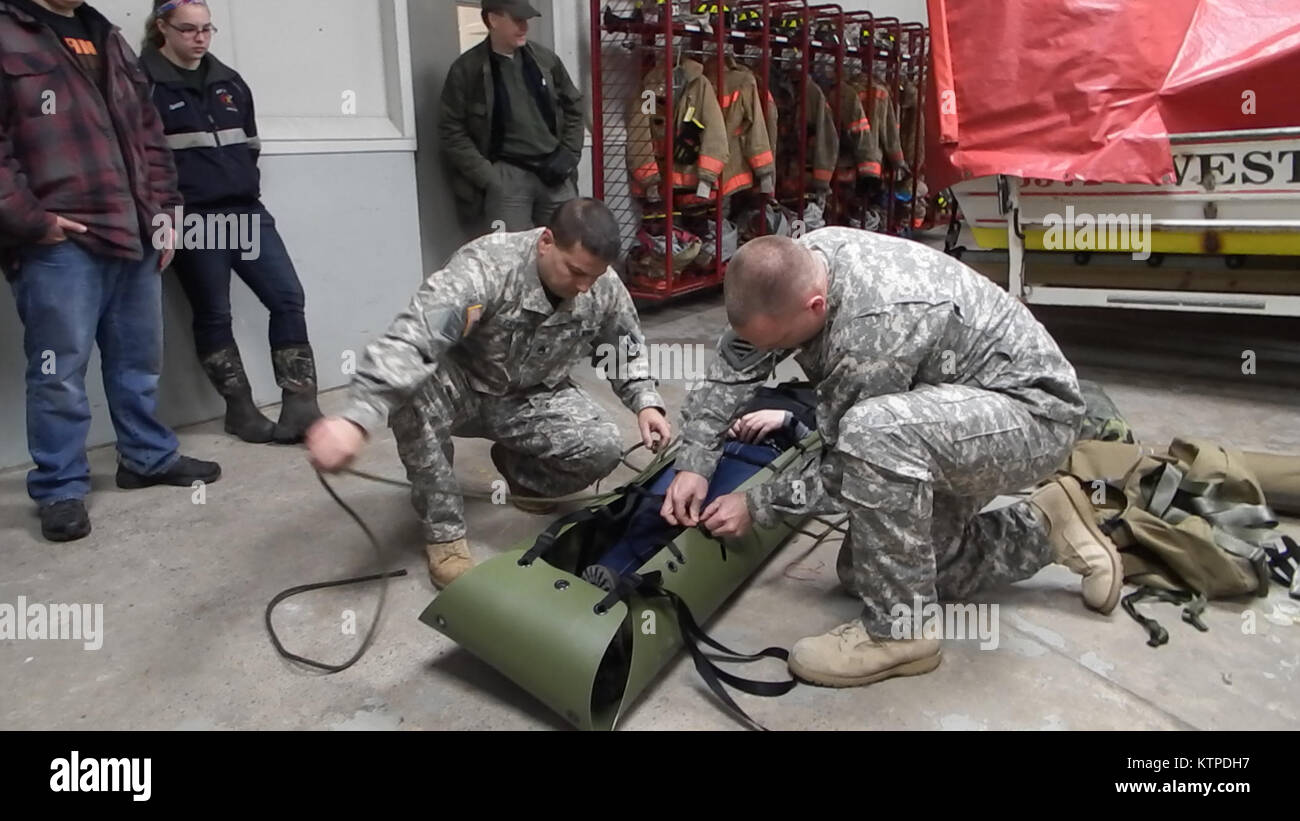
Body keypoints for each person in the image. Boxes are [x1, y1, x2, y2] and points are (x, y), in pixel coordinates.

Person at [661, 227, 1125, 688]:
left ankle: (901, 634)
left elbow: (849, 466)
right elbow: (737, 360)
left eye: (779, 345)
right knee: (866, 572)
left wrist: (758, 505)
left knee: (871, 433)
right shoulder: (790, 267)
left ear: (816, 308)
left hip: (1030, 418)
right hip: (953, 409)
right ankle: (1048, 526)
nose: (774, 355)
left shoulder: (869, 329)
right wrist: (695, 461)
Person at [306, 199, 671, 589]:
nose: (584, 287)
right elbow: (415, 337)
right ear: (546, 242)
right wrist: (356, 417)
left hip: (531, 397)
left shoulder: (600, 286)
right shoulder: (487, 267)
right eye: (576, 272)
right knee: (413, 396)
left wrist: (644, 400)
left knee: (603, 445)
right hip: (462, 388)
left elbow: (623, 348)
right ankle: (444, 535)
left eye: (593, 278)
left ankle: (523, 476)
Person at [0, 0, 220, 543]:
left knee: (138, 359)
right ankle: (60, 486)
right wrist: (32, 221)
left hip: (136, 230)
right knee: (59, 372)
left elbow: (149, 132)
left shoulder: (107, 35)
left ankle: (145, 458)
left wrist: (166, 212)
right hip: (60, 240)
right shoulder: (8, 33)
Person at [139, 0, 321, 445]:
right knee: (214, 312)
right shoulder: (142, 84)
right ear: (162, 27)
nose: (199, 38)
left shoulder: (229, 82)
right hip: (193, 218)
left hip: (244, 211)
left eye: (207, 29)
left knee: (287, 296)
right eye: (188, 29)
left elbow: (250, 145)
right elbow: (140, 160)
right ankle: (239, 409)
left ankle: (300, 402)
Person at [439, 0, 584, 235]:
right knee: (508, 253)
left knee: (566, 245)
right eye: (517, 20)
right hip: (508, 177)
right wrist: (489, 177)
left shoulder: (546, 60)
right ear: (493, 20)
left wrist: (569, 154)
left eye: (526, 20)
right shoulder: (467, 69)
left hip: (556, 171)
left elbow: (574, 106)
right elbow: (451, 129)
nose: (524, 27)